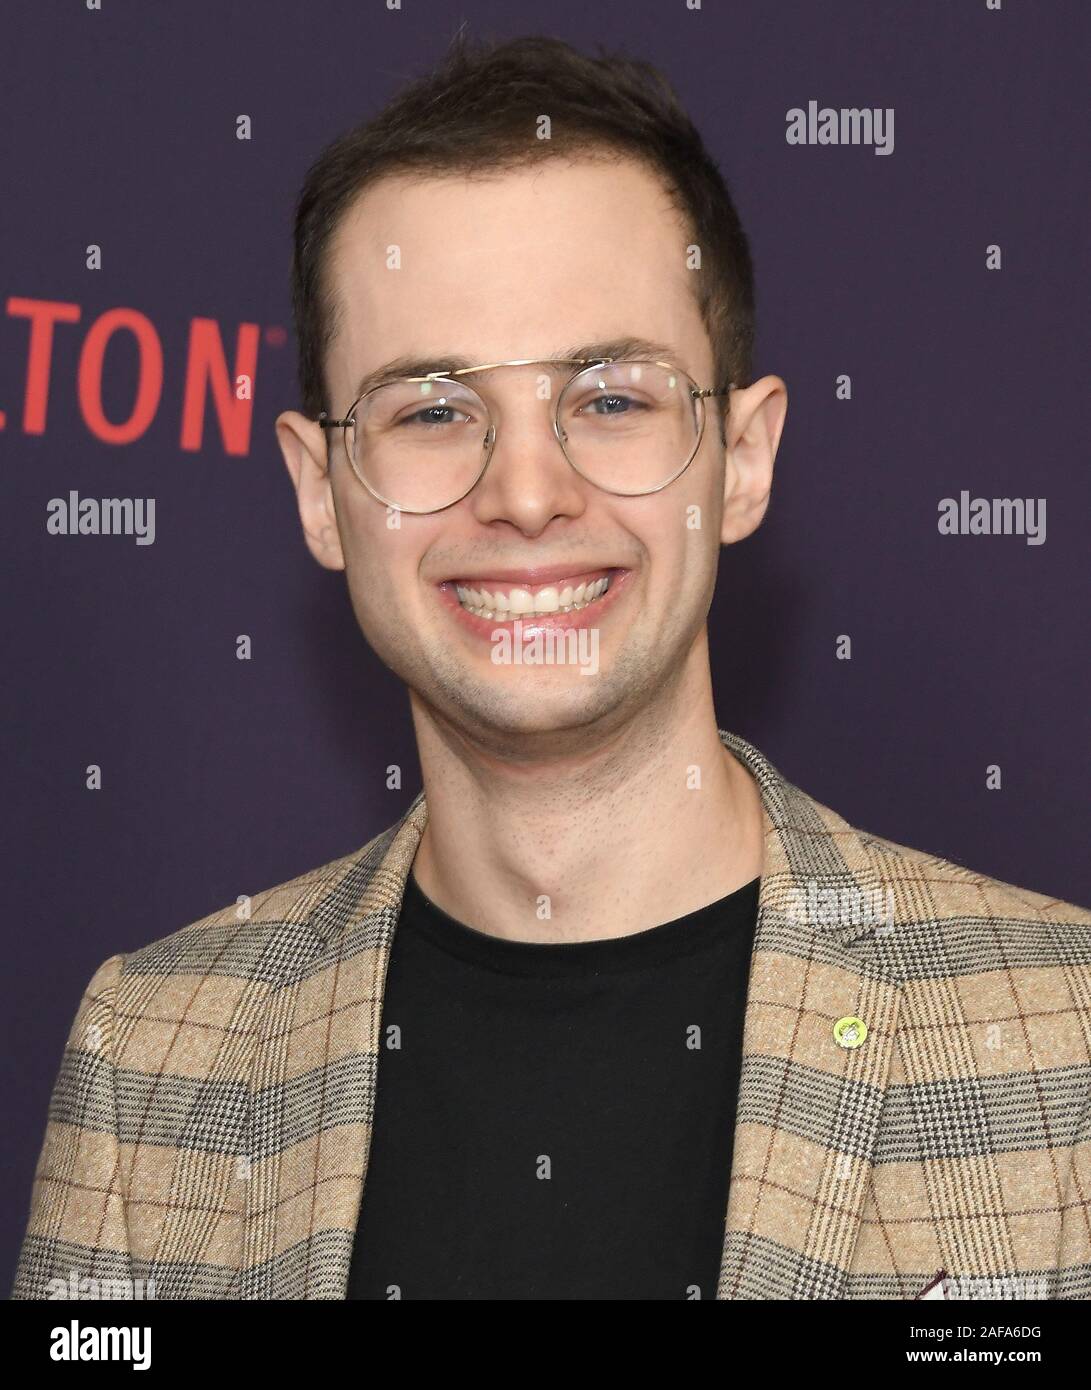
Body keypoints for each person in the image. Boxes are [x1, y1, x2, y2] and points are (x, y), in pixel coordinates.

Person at [13, 31, 1090, 1302]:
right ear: (319, 492)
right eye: (430, 410)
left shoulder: (1060, 1043)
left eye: (612, 398)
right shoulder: (150, 1063)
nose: (526, 493)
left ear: (740, 461)